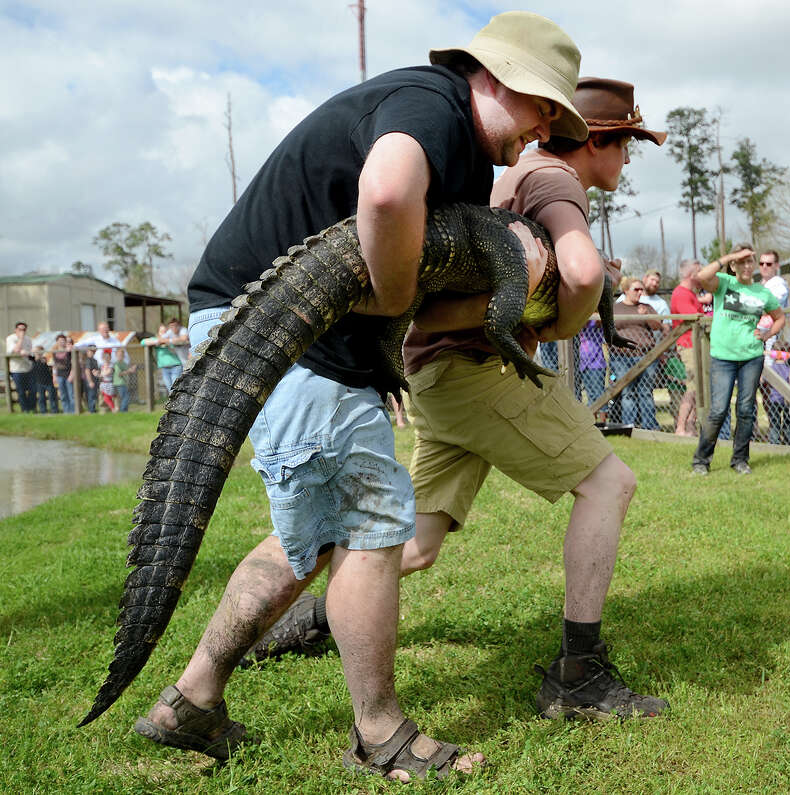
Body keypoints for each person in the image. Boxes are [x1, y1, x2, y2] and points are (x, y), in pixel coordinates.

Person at [133, 11, 587, 779]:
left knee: (308, 534)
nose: (542, 131)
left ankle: (190, 701)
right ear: (502, 80)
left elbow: (412, 295)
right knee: (373, 516)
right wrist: (395, 303)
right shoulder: (434, 105)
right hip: (269, 313)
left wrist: (396, 335)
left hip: (301, 326)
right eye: (544, 108)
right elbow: (383, 195)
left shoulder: (465, 159)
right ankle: (381, 733)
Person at [242, 74, 670, 730]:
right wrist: (560, 324)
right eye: (627, 145)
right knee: (609, 483)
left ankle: (304, 619)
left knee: (412, 543)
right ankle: (576, 673)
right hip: (476, 368)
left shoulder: (517, 177)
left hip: (439, 373)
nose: (629, 160)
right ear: (598, 141)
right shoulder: (555, 179)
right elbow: (582, 271)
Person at [690, 245, 786, 475]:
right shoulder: (724, 282)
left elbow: (780, 318)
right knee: (718, 410)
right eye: (741, 262)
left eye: (750, 261)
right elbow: (701, 277)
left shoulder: (762, 293)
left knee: (746, 409)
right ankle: (701, 460)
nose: (747, 266)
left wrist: (766, 334)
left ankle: (740, 460)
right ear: (733, 265)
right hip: (723, 358)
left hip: (751, 357)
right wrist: (730, 256)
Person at [611, 278, 663, 429]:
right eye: (636, 289)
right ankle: (629, 426)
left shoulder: (646, 307)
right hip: (621, 358)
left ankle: (649, 426)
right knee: (627, 392)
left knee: (645, 391)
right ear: (625, 290)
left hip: (646, 356)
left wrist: (646, 315)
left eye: (641, 289)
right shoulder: (616, 308)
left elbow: (657, 327)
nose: (640, 292)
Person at [669, 259, 704, 436]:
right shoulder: (681, 294)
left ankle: (691, 427)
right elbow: (693, 317)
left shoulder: (691, 294)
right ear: (691, 275)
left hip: (698, 345)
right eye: (700, 272)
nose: (703, 275)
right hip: (688, 345)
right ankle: (681, 427)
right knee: (693, 387)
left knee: (699, 388)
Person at [5, 321, 35, 413]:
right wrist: (21, 339)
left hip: (28, 368)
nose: (22, 331)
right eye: (20, 329)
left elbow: (30, 352)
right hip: (17, 369)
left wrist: (27, 353)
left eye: (24, 329)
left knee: (33, 390)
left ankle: (32, 409)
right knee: (21, 391)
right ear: (16, 330)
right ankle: (24, 410)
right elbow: (16, 350)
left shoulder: (28, 339)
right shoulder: (11, 338)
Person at [51, 334, 76, 414]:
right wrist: (54, 376)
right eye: (60, 341)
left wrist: (72, 374)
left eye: (63, 341)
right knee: (63, 395)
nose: (61, 342)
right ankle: (66, 411)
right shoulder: (55, 352)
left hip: (69, 375)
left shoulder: (70, 351)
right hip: (59, 375)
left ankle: (73, 411)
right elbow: (54, 365)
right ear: (57, 342)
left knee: (71, 394)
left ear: (65, 342)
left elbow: (74, 364)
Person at [111, 347, 137, 412]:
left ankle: (125, 410)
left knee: (125, 397)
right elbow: (119, 374)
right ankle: (123, 410)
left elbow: (127, 370)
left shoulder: (123, 363)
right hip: (119, 383)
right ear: (116, 356)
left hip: (124, 383)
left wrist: (132, 369)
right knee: (125, 397)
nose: (120, 357)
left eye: (122, 355)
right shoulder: (117, 364)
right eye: (119, 355)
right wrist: (129, 370)